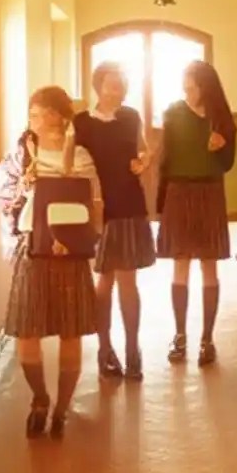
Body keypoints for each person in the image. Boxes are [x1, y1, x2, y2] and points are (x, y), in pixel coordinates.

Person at [0, 85, 101, 437]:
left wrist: (82, 240)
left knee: (71, 332)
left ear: (58, 115)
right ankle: (40, 398)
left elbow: (93, 204)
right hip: (33, 250)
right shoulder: (21, 154)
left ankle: (62, 408)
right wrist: (23, 188)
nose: (34, 120)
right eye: (32, 114)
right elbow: (0, 199)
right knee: (27, 334)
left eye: (40, 113)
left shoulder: (80, 155)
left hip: (71, 254)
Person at [73, 62, 156, 380]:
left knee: (128, 281)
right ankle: (105, 349)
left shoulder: (131, 116)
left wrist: (143, 162)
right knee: (104, 281)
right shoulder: (82, 122)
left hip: (130, 204)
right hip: (99, 211)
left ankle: (133, 350)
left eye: (122, 84)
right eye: (112, 84)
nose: (118, 90)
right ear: (98, 87)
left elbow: (144, 150)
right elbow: (72, 164)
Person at [156, 60, 237, 365]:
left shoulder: (222, 118)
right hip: (179, 192)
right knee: (180, 264)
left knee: (209, 265)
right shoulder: (174, 113)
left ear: (206, 87)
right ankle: (179, 336)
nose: (188, 92)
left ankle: (207, 338)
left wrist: (222, 146)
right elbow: (165, 161)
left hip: (210, 192)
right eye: (185, 87)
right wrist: (161, 203)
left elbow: (228, 164)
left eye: (192, 86)